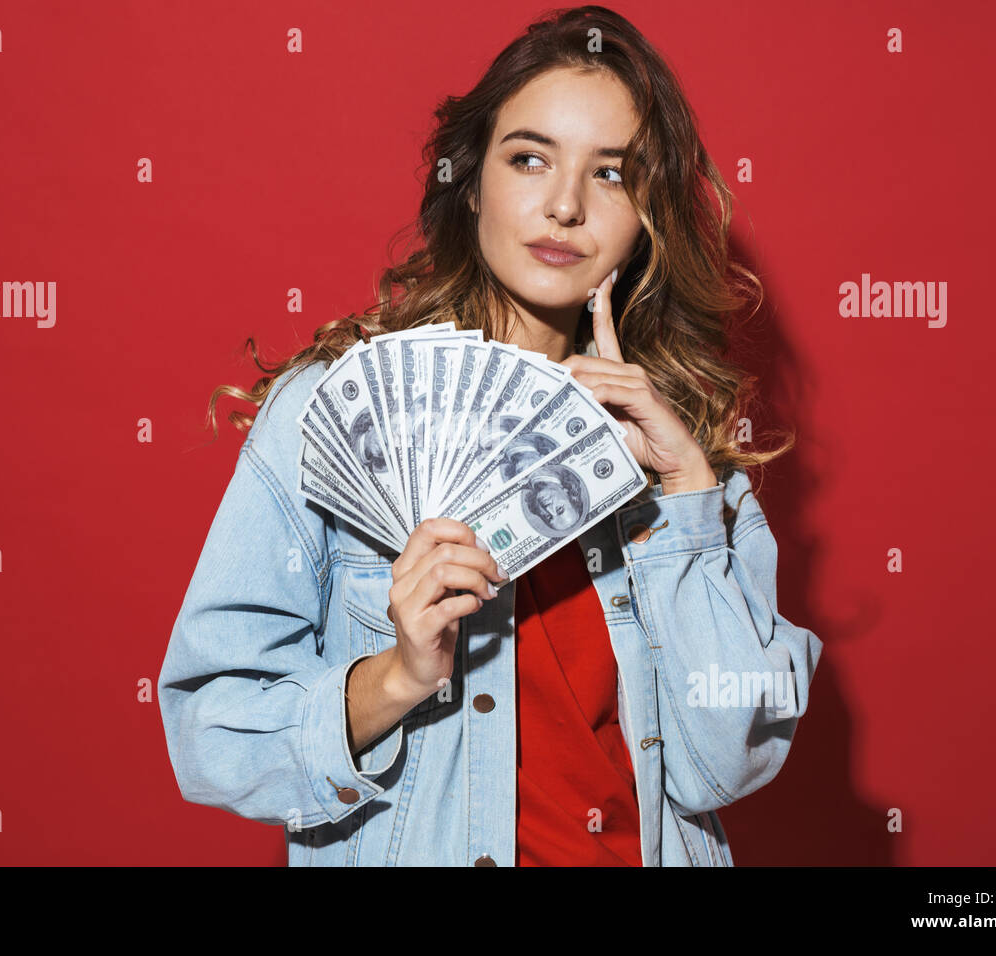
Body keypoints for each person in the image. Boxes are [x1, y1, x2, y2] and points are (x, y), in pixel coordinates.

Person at [158, 4, 823, 866]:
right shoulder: (338, 409)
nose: (564, 205)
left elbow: (726, 765)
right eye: (529, 158)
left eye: (612, 175)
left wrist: (690, 495)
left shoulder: (679, 445)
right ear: (470, 182)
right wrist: (396, 677)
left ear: (647, 220)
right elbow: (210, 730)